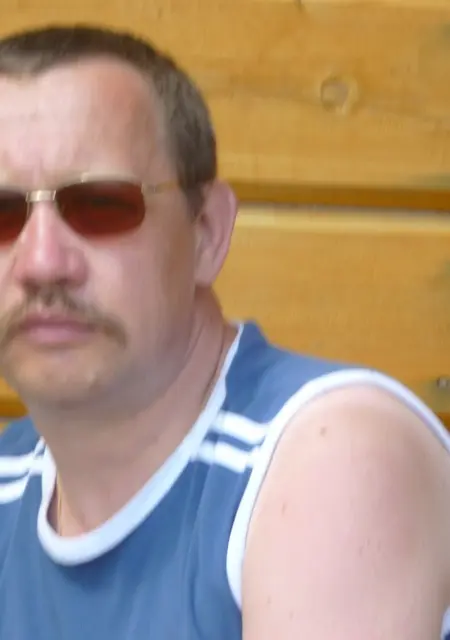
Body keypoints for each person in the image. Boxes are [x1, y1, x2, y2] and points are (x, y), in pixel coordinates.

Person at [0, 23, 448, 640]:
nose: (42, 262)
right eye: (3, 214)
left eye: (100, 204)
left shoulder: (326, 458)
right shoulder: (10, 474)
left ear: (207, 233)